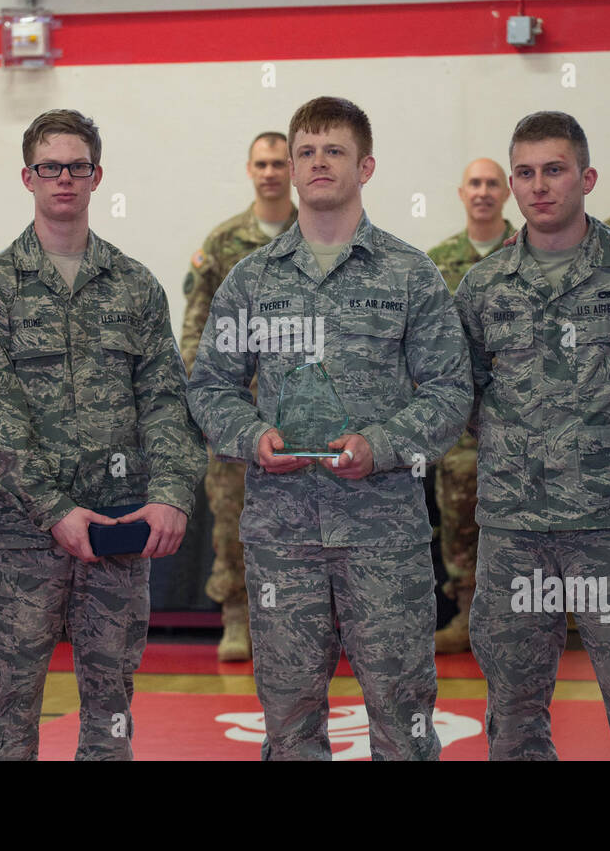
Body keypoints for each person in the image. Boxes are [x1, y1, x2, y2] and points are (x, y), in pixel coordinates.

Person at [187, 96, 472, 760]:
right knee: (288, 722)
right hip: (282, 533)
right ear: (289, 166)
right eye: (306, 152)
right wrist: (252, 436)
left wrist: (383, 445)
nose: (318, 163)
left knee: (403, 719)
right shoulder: (249, 280)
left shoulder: (410, 275)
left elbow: (451, 388)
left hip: (385, 533)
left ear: (365, 165)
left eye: (334, 150)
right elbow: (209, 386)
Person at [0, 109, 206, 760]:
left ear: (97, 177)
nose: (63, 178)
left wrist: (173, 493)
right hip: (22, 539)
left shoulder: (136, 286)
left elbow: (164, 401)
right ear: (27, 177)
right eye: (49, 167)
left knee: (111, 709)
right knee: (7, 709)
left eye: (77, 166)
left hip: (119, 535)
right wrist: (55, 511)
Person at [455, 112, 610, 760]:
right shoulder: (483, 285)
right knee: (513, 712)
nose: (538, 186)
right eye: (525, 172)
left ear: (587, 177)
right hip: (515, 531)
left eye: (554, 170)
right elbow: (462, 393)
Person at [180, 132, 297, 661]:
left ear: (292, 169)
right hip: (237, 412)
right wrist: (203, 400)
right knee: (231, 518)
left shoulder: (319, 232)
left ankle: (301, 621)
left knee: (303, 521)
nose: (270, 173)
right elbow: (196, 328)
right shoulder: (225, 242)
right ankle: (236, 618)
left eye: (279, 163)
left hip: (303, 409)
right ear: (250, 170)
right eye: (262, 164)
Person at [427, 158, 517, 654]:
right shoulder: (436, 261)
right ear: (461, 193)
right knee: (460, 516)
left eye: (492, 184)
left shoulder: (527, 252)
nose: (483, 192)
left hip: (522, 416)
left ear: (506, 193)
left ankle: (513, 620)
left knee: (517, 521)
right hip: (460, 421)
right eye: (475, 184)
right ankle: (465, 612)